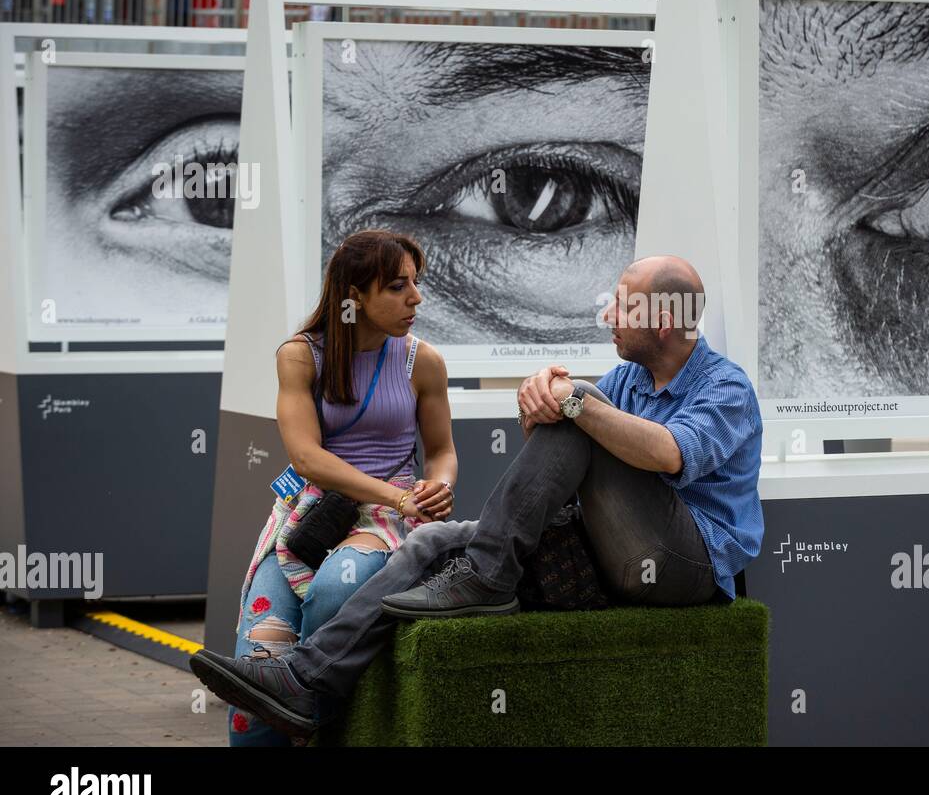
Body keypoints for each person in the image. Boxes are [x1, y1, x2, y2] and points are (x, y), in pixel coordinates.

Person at [189, 255, 765, 738]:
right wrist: (535, 405)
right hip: (605, 548)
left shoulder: (725, 386)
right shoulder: (629, 382)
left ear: (664, 321)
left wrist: (572, 402)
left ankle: (487, 574)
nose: (607, 315)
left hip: (683, 569)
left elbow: (671, 455)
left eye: (621, 305)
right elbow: (557, 464)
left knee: (580, 401)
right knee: (433, 540)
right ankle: (308, 681)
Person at [200, 229, 464, 746]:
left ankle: (313, 717)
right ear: (354, 297)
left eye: (416, 282)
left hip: (386, 519)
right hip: (308, 514)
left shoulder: (422, 361)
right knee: (257, 663)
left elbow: (441, 450)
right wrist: (399, 496)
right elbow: (305, 457)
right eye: (396, 287)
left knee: (333, 591)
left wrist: (438, 485)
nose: (416, 298)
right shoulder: (300, 356)